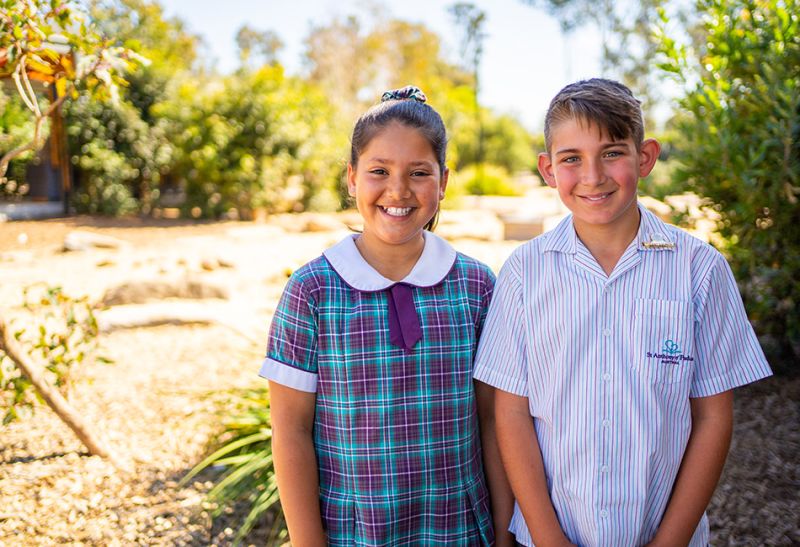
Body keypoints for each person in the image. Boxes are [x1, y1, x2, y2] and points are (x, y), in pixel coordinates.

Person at [473, 78, 772, 547]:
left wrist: (669, 541)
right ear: (548, 169)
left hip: (663, 532)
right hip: (553, 533)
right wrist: (549, 537)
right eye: (572, 158)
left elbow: (714, 417)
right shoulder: (523, 273)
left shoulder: (700, 270)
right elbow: (511, 412)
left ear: (645, 157)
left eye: (612, 152)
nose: (592, 176)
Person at [261, 86, 514, 546]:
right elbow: (290, 431)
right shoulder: (312, 292)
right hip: (353, 535)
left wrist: (502, 533)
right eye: (379, 171)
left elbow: (492, 420)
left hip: (460, 533)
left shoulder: (477, 287)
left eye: (419, 172)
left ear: (443, 181)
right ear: (352, 178)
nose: (398, 190)